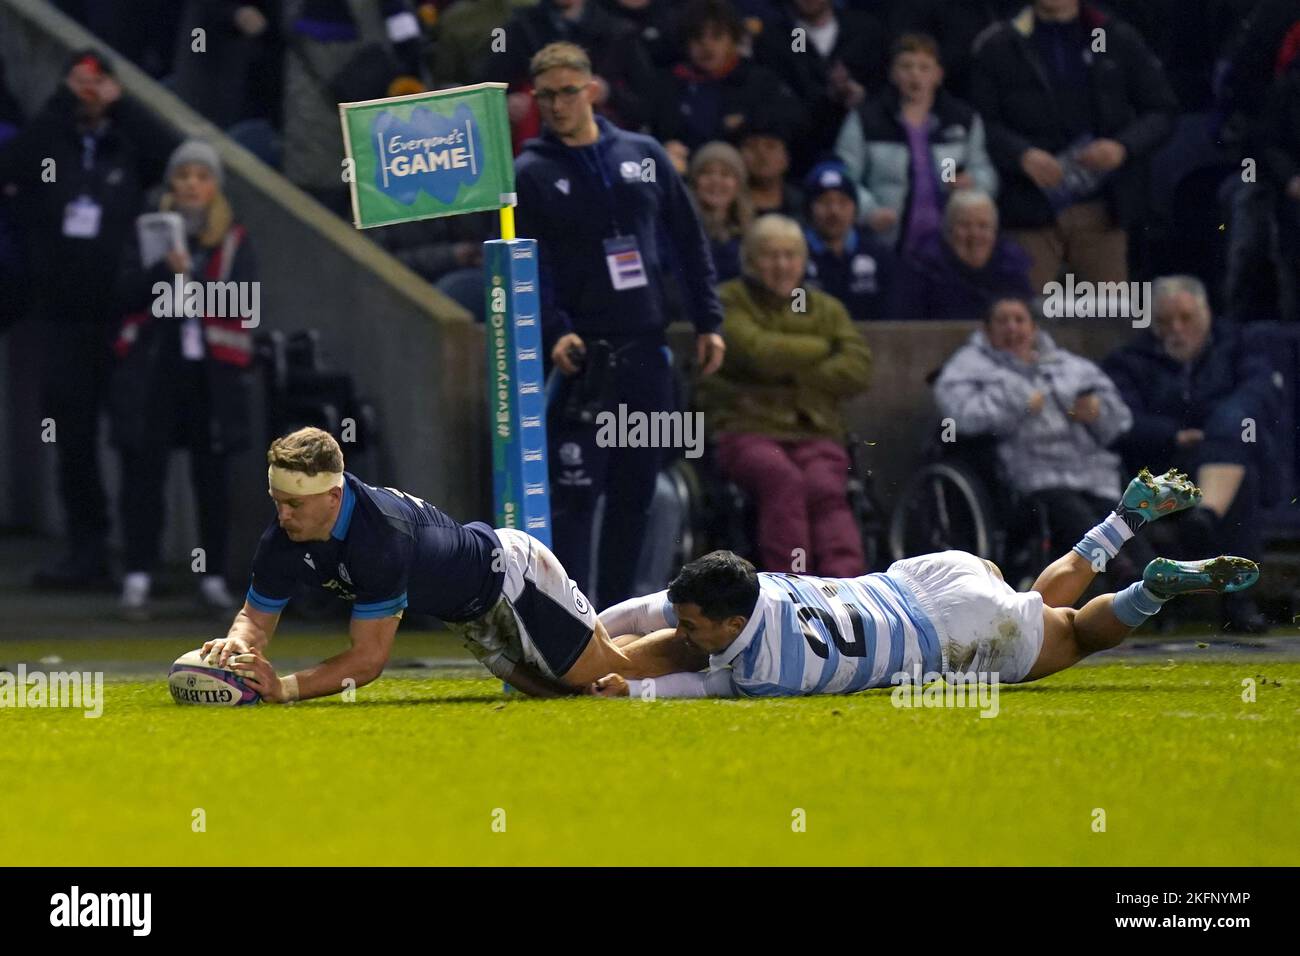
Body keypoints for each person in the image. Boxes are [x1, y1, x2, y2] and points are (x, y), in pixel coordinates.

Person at [588, 471, 1261, 699]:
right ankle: (1120, 521)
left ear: (733, 628)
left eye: (695, 627)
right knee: (1029, 599)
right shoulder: (756, 582)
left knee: (1080, 633)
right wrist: (596, 621)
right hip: (928, 574)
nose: (682, 634)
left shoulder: (763, 672)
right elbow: (654, 608)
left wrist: (631, 685)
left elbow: (688, 682)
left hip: (949, 636)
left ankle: (1156, 589)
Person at [200, 427, 698, 702]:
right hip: (469, 613)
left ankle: (712, 644)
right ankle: (681, 632)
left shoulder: (378, 537)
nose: (281, 515)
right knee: (564, 695)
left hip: (511, 578)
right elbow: (255, 618)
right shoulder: (285, 535)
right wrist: (236, 648)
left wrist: (283, 688)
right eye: (276, 501)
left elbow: (367, 661)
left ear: (333, 496)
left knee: (603, 676)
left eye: (293, 505)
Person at [513, 42, 726, 608]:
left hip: (645, 350)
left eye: (567, 92)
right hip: (584, 357)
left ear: (592, 90)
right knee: (577, 494)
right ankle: (572, 620)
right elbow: (531, 262)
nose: (557, 105)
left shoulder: (644, 153)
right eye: (546, 96)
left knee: (636, 491)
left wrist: (708, 320)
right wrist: (554, 329)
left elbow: (687, 238)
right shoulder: (531, 172)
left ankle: (613, 616)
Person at [0, 49, 178, 589]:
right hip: (62, 318)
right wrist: (61, 103)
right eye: (78, 82)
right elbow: (13, 166)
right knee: (72, 440)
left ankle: (141, 560)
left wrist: (122, 109)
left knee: (134, 441)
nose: (87, 91)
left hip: (127, 321)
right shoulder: (49, 143)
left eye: (97, 83)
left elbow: (173, 154)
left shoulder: (128, 143)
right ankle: (87, 551)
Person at [110, 141, 256, 619]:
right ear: (171, 184)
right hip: (155, 370)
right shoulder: (147, 233)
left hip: (210, 374)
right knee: (143, 475)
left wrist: (192, 282)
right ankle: (138, 576)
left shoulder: (232, 238)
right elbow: (122, 295)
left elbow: (244, 305)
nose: (192, 184)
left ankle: (212, 579)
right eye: (183, 176)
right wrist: (162, 270)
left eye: (202, 176)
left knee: (211, 478)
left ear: (215, 186)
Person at [1102, 275, 1282, 632]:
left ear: (1207, 314)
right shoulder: (1129, 361)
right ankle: (1236, 600)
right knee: (1235, 471)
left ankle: (1212, 549)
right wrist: (1174, 435)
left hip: (1231, 452)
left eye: (1186, 319)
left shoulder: (1240, 346)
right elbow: (1121, 421)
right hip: (1165, 462)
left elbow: (1261, 395)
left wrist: (1219, 427)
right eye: (1165, 322)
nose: (1176, 329)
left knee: (1237, 451)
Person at [697, 214, 873, 577]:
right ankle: (794, 587)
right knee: (783, 479)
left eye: (790, 255)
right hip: (747, 428)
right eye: (770, 255)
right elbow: (758, 352)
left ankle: (849, 592)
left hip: (814, 430)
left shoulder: (824, 307)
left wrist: (784, 370)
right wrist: (822, 349)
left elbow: (858, 368)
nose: (782, 265)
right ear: (749, 259)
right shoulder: (728, 301)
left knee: (826, 487)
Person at [969, 0, 1178, 289]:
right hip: (1027, 208)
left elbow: (1162, 111)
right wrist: (1021, 155)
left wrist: (1122, 147)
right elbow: (978, 123)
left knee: (1108, 322)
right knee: (1021, 317)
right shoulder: (999, 44)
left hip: (1103, 209)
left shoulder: (1115, 37)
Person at [934, 295, 1133, 563]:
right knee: (1072, 511)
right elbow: (962, 417)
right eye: (1002, 321)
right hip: (1027, 474)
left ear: (1034, 328)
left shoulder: (1067, 364)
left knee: (1123, 514)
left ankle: (1154, 583)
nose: (1012, 328)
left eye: (1019, 320)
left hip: (1089, 469)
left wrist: (1097, 411)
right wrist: (1018, 405)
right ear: (987, 330)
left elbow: (1120, 420)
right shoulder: (968, 367)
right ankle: (1121, 571)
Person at [835, 32, 997, 256]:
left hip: (951, 247)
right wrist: (869, 211)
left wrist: (975, 182)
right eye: (906, 66)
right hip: (887, 244)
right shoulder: (866, 119)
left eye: (924, 67)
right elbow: (844, 177)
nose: (915, 75)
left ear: (938, 75)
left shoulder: (962, 119)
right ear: (893, 73)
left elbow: (985, 171)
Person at [652, 0, 803, 174]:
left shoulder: (758, 81)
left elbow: (794, 120)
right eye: (697, 37)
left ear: (734, 40)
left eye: (716, 37)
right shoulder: (670, 85)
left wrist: (745, 123)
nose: (706, 46)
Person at [893, 188, 1033, 320]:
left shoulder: (1013, 269)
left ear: (994, 232)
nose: (974, 234)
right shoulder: (922, 270)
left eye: (983, 226)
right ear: (948, 231)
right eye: (965, 225)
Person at [801, 159, 896, 321]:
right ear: (809, 209)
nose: (834, 211)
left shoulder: (878, 255)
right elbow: (796, 311)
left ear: (855, 208)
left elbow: (892, 312)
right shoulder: (794, 254)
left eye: (843, 202)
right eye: (824, 202)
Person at [687, 140, 753, 282]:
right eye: (707, 172)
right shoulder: (678, 228)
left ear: (738, 184)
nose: (716, 181)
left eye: (725, 174)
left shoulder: (751, 232)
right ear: (694, 181)